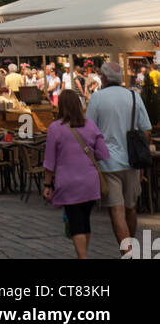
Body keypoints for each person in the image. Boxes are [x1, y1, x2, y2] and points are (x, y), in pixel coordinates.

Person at [86, 60, 152, 252]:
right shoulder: (134, 96)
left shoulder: (97, 98)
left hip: (107, 163)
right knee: (131, 208)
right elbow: (146, 131)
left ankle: (127, 252)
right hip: (132, 161)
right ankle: (130, 248)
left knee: (116, 210)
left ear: (104, 78)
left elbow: (89, 131)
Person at [43, 89, 111, 260]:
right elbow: (102, 153)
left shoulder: (54, 128)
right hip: (90, 182)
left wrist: (47, 185)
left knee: (75, 222)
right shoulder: (91, 125)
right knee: (85, 221)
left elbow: (49, 161)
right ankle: (83, 254)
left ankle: (82, 256)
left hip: (68, 183)